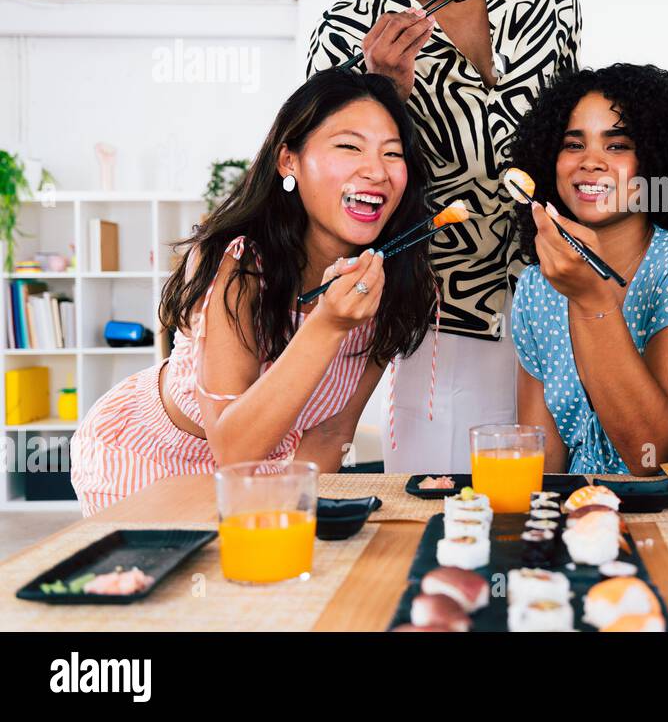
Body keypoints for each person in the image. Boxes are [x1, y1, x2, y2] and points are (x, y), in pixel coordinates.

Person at [306, 0, 582, 472]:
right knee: (445, 528)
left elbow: (576, 138)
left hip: (562, 304)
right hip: (440, 326)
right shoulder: (346, 34)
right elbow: (338, 205)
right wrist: (384, 98)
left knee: (560, 527)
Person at [71, 71, 437, 514]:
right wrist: (329, 323)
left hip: (269, 470)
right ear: (289, 161)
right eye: (348, 146)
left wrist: (288, 517)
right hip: (148, 461)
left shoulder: (391, 282)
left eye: (392, 153)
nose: (376, 170)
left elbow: (331, 434)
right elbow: (234, 452)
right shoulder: (240, 264)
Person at [508, 65, 668, 474]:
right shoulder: (537, 285)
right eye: (573, 145)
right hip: (580, 515)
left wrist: (589, 300)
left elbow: (648, 456)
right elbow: (542, 462)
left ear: (657, 160)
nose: (590, 163)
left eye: (617, 145)